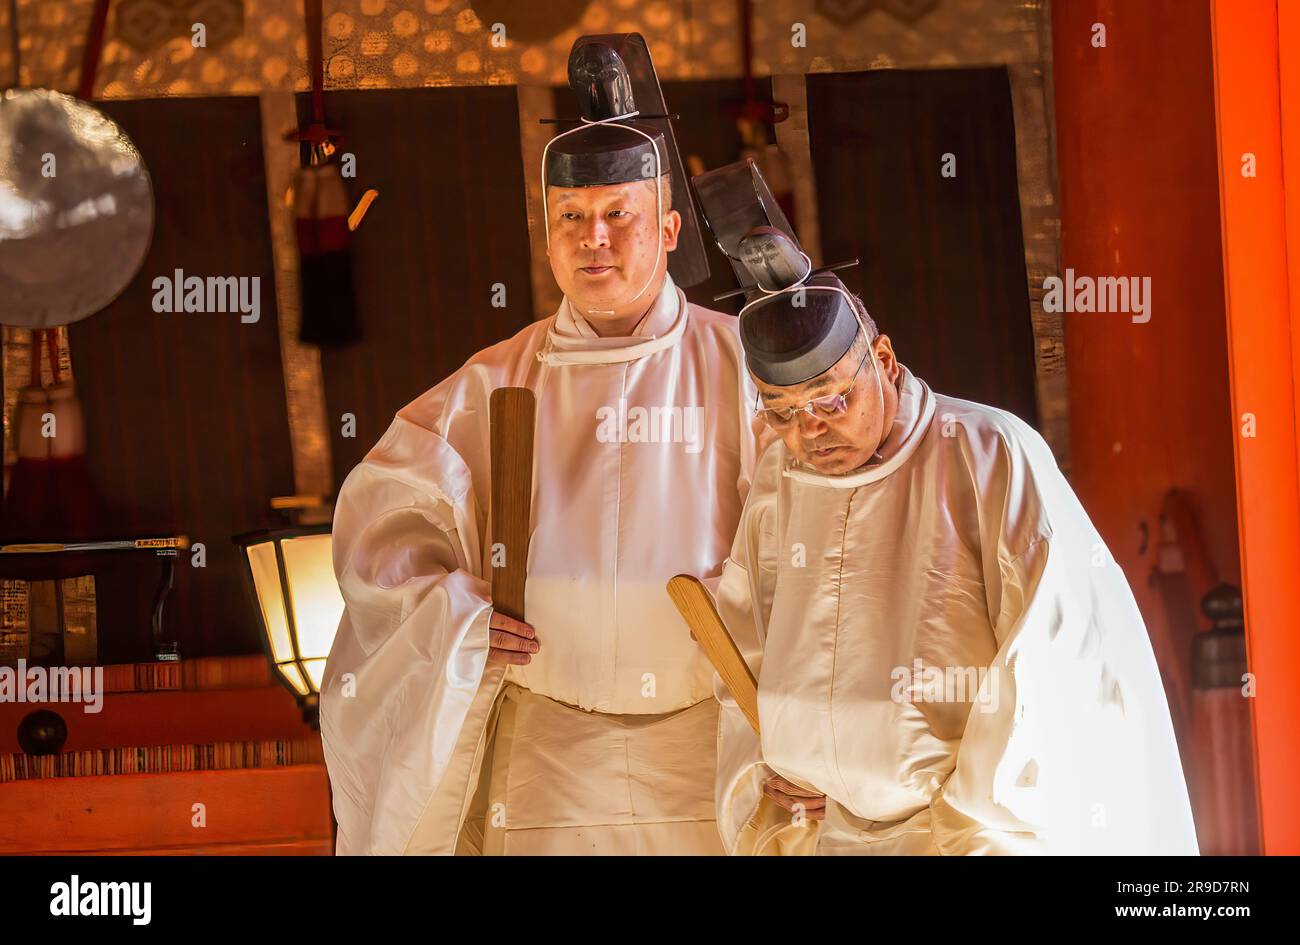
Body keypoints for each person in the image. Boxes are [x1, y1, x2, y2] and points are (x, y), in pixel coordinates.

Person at [318, 34, 764, 855]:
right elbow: (385, 529)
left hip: (708, 749)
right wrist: (450, 619)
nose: (594, 237)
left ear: (668, 229)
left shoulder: (744, 365)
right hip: (550, 754)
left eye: (617, 216)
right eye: (571, 219)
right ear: (547, 235)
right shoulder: (489, 385)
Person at [696, 159, 1199, 855]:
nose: (810, 431)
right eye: (781, 412)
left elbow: (1049, 666)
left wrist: (963, 825)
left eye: (833, 400)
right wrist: (772, 763)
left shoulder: (989, 454)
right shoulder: (783, 480)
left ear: (885, 358)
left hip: (961, 837)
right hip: (825, 833)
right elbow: (745, 647)